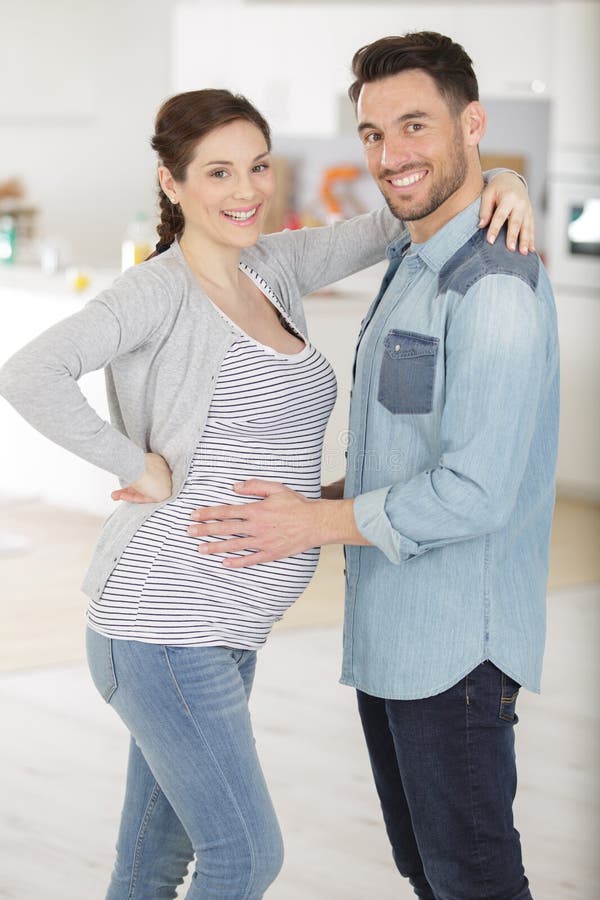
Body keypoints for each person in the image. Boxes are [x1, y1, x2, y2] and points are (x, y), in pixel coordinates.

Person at [0, 84, 533, 899]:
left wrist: (506, 181)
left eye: (257, 167)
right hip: (161, 623)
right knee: (244, 857)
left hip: (223, 627)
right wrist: (132, 465)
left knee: (151, 864)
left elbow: (404, 209)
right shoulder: (158, 291)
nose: (246, 191)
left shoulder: (274, 268)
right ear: (172, 184)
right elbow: (28, 371)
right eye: (218, 172)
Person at [188, 33, 559, 900]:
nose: (391, 155)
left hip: (454, 656)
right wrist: (299, 503)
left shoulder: (493, 289)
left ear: (472, 123)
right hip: (393, 641)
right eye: (372, 132)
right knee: (429, 874)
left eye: (416, 126)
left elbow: (476, 491)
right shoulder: (410, 259)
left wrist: (311, 523)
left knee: (474, 882)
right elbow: (405, 453)